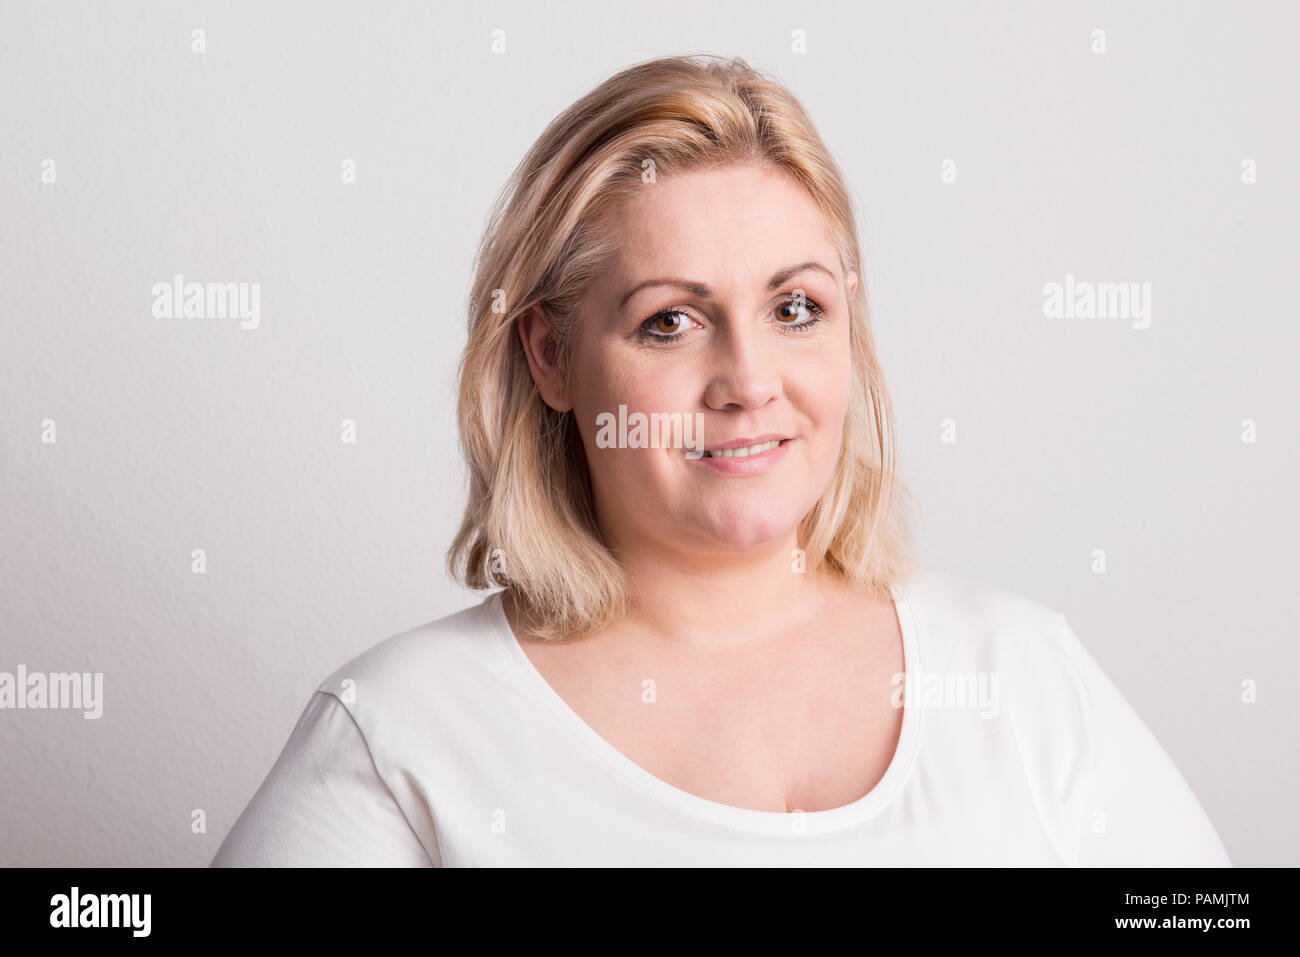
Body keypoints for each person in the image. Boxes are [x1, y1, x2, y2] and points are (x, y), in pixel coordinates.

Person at [211, 54, 1230, 867]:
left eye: (794, 309)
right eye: (670, 322)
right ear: (551, 355)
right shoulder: (404, 734)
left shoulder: (1021, 676)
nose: (748, 379)